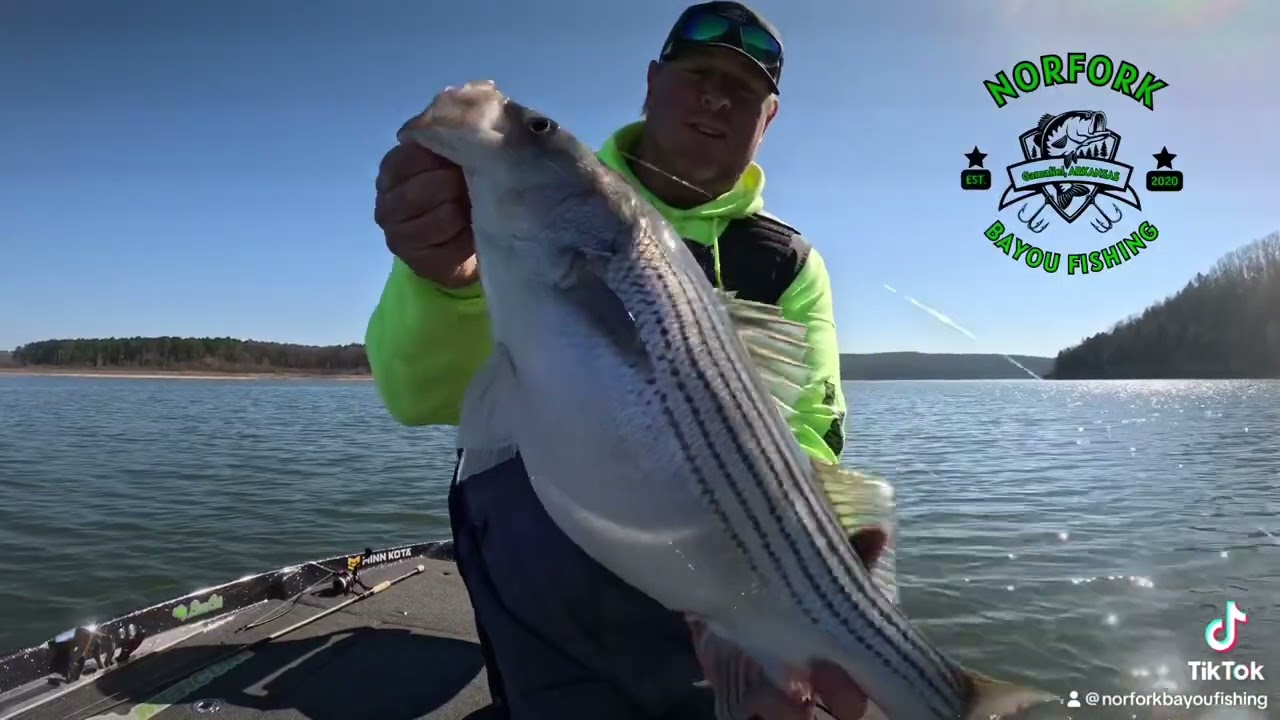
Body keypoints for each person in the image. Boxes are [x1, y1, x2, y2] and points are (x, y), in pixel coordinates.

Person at [368, 3, 880, 718]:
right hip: (541, 593)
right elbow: (417, 395)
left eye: (743, 91)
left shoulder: (788, 264)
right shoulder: (508, 205)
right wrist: (445, 279)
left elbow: (805, 437)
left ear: (768, 122)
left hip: (717, 586)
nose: (714, 97)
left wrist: (786, 600)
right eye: (697, 74)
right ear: (649, 83)